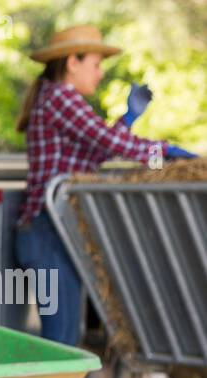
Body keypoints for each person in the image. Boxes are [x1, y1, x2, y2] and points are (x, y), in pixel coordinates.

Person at [15, 24, 196, 346]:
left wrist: (128, 121)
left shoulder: (57, 99)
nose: (99, 75)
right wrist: (165, 152)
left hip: (53, 230)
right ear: (73, 62)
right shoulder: (61, 97)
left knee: (66, 338)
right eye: (96, 65)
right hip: (47, 230)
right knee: (61, 342)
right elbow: (108, 142)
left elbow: (95, 150)